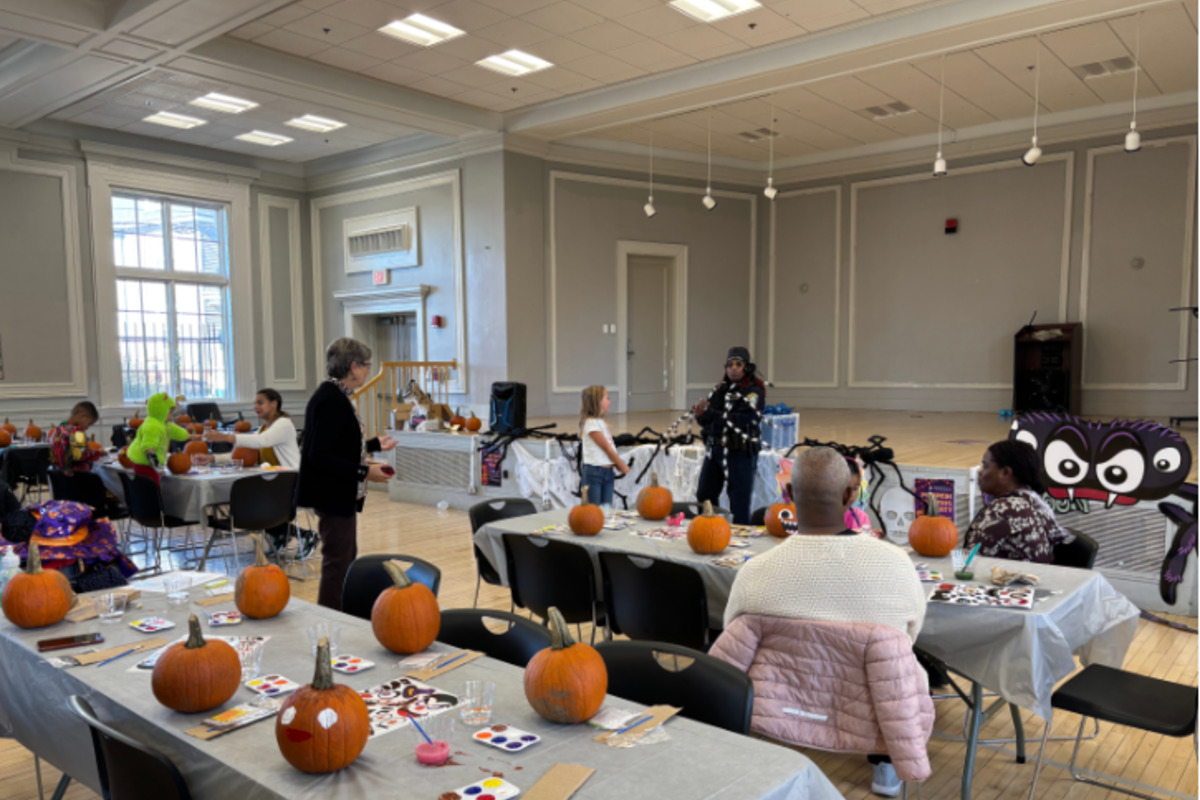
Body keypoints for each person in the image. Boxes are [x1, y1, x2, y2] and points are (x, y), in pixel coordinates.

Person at [724, 447, 927, 797]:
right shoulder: (895, 564)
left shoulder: (755, 572)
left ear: (787, 495)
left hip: (775, 712)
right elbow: (909, 637)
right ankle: (885, 768)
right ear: (850, 495)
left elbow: (733, 638)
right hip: (872, 717)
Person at [296, 337, 396, 610]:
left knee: (344, 559)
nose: (368, 371)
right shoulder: (331, 400)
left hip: (337, 493)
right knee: (338, 563)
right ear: (353, 366)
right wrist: (365, 471)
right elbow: (320, 455)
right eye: (366, 365)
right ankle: (329, 620)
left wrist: (375, 445)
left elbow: (338, 445)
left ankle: (338, 617)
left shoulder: (335, 396)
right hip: (332, 494)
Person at [964, 439, 1071, 564]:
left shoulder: (1005, 509)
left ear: (1005, 473)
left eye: (985, 466)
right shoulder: (1035, 501)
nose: (980, 472)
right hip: (1040, 577)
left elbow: (970, 561)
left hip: (1014, 580)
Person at [693, 346, 766, 525]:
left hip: (738, 451)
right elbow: (707, 421)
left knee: (739, 501)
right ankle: (709, 529)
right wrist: (701, 414)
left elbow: (743, 420)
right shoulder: (720, 389)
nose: (733, 368)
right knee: (705, 495)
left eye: (738, 364)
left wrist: (711, 413)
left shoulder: (754, 392)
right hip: (715, 449)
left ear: (747, 368)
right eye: (730, 364)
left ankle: (741, 540)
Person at [204, 388, 299, 470]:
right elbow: (244, 453)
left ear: (274, 404)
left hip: (292, 478)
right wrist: (213, 458)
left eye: (260, 403)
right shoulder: (264, 428)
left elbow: (263, 440)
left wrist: (225, 437)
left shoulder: (284, 423)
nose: (256, 406)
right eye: (255, 403)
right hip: (275, 478)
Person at [579, 386, 629, 507]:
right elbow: (606, 447)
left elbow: (609, 446)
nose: (609, 401)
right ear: (597, 402)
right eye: (607, 398)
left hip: (607, 472)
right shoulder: (591, 423)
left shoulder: (600, 422)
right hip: (594, 472)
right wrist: (621, 464)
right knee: (593, 510)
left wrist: (615, 464)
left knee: (606, 511)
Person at [47, 401, 102, 475]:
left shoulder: (57, 431)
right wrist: (97, 453)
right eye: (88, 424)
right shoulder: (77, 432)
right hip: (76, 477)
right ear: (83, 416)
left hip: (60, 477)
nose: (87, 427)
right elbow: (79, 455)